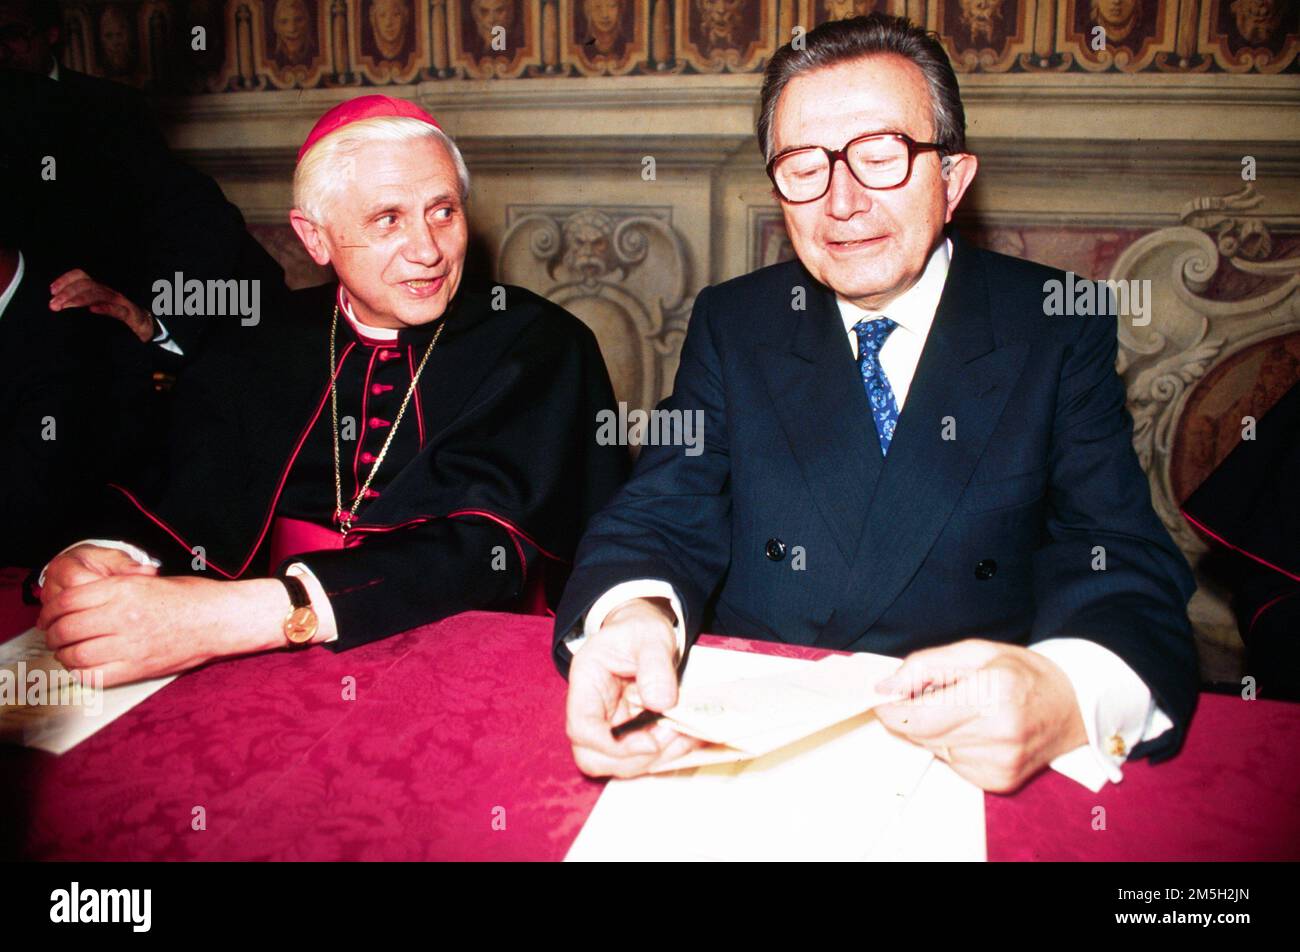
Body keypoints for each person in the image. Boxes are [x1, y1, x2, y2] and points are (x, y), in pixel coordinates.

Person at [553, 14, 1198, 793]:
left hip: (960, 750)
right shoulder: (737, 321)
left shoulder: (1056, 322)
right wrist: (634, 618)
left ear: (953, 180)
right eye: (803, 166)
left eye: (882, 157)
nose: (843, 203)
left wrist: (1065, 695)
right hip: (751, 743)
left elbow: (1116, 553)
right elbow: (662, 509)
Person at [37, 95, 628, 687]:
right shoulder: (258, 343)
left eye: (443, 211)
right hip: (268, 670)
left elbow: (487, 555)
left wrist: (244, 614)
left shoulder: (538, 343)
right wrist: (99, 554)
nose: (428, 250)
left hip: (462, 655)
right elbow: (169, 493)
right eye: (387, 219)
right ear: (314, 238)